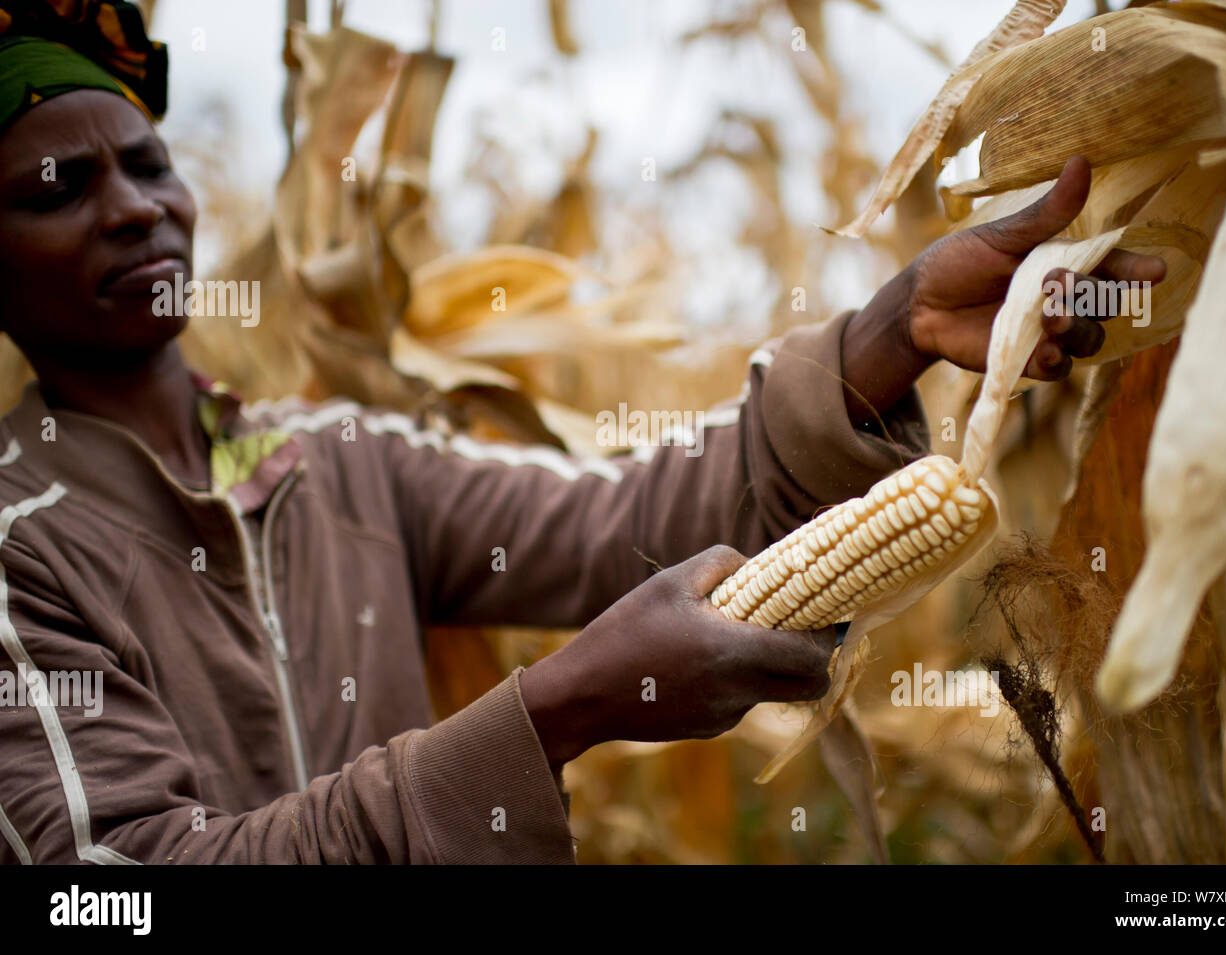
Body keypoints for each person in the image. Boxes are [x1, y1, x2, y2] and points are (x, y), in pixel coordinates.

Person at [0, 1, 1164, 864]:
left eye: (150, 164)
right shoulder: (20, 554)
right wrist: (557, 710)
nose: (136, 206)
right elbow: (117, 882)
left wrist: (889, 327)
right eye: (60, 188)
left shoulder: (337, 458)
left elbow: (623, 523)